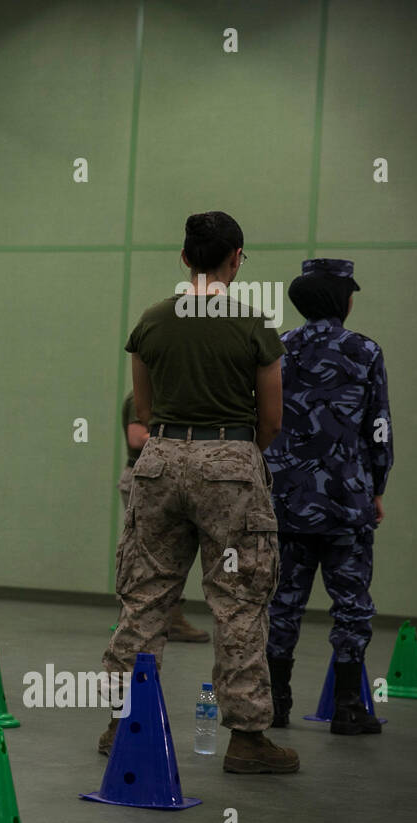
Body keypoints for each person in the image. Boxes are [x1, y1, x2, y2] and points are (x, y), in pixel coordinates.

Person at [100, 211, 298, 774]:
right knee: (237, 600)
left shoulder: (152, 321)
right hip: (229, 461)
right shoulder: (254, 324)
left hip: (158, 460)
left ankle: (122, 722)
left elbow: (143, 408)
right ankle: (246, 739)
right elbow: (272, 418)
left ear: (185, 258)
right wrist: (232, 453)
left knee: (144, 598)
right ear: (236, 258)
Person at [264, 259, 391, 735]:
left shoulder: (275, 349)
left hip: (285, 501)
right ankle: (348, 708)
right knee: (352, 603)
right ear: (343, 300)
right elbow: (378, 427)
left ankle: (275, 705)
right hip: (345, 499)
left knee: (281, 602)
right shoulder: (364, 350)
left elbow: (261, 421)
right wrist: (377, 487)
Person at [118, 391, 208, 642]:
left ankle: (164, 617)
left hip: (159, 480)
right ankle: (148, 619)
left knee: (164, 553)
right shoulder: (141, 397)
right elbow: (136, 439)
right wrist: (183, 438)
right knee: (145, 554)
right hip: (142, 479)